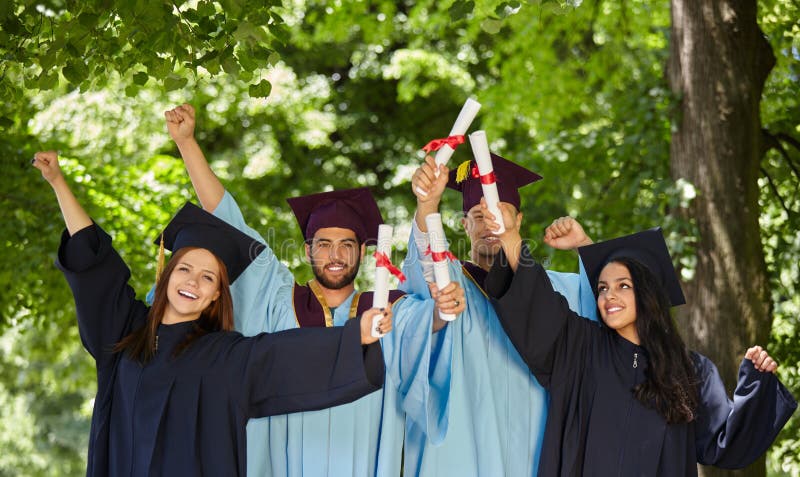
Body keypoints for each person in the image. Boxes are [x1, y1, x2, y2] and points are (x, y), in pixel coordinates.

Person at [32, 150, 391, 476]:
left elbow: (284, 355)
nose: (193, 283)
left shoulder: (225, 355)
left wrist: (355, 335)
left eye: (208, 277)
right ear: (168, 273)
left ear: (218, 293)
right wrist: (58, 183)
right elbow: (96, 266)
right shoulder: (126, 331)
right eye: (185, 269)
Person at [164, 103, 466, 476]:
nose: (335, 255)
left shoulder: (384, 307)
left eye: (346, 245)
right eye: (323, 244)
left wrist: (441, 307)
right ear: (307, 251)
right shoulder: (279, 300)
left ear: (364, 253)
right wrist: (187, 143)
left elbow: (427, 322)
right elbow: (229, 221)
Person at [481, 208, 797, 475]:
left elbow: (725, 444)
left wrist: (757, 384)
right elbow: (538, 305)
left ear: (647, 293)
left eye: (623, 285)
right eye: (602, 288)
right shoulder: (580, 346)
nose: (609, 296)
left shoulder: (690, 371)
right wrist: (510, 237)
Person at [403, 155, 598, 476]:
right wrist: (428, 205)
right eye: (478, 215)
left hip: (537, 441)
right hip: (465, 443)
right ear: (465, 225)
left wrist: (585, 247)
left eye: (499, 212)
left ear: (518, 220)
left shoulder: (554, 292)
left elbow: (608, 306)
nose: (489, 223)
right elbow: (424, 271)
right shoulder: (451, 283)